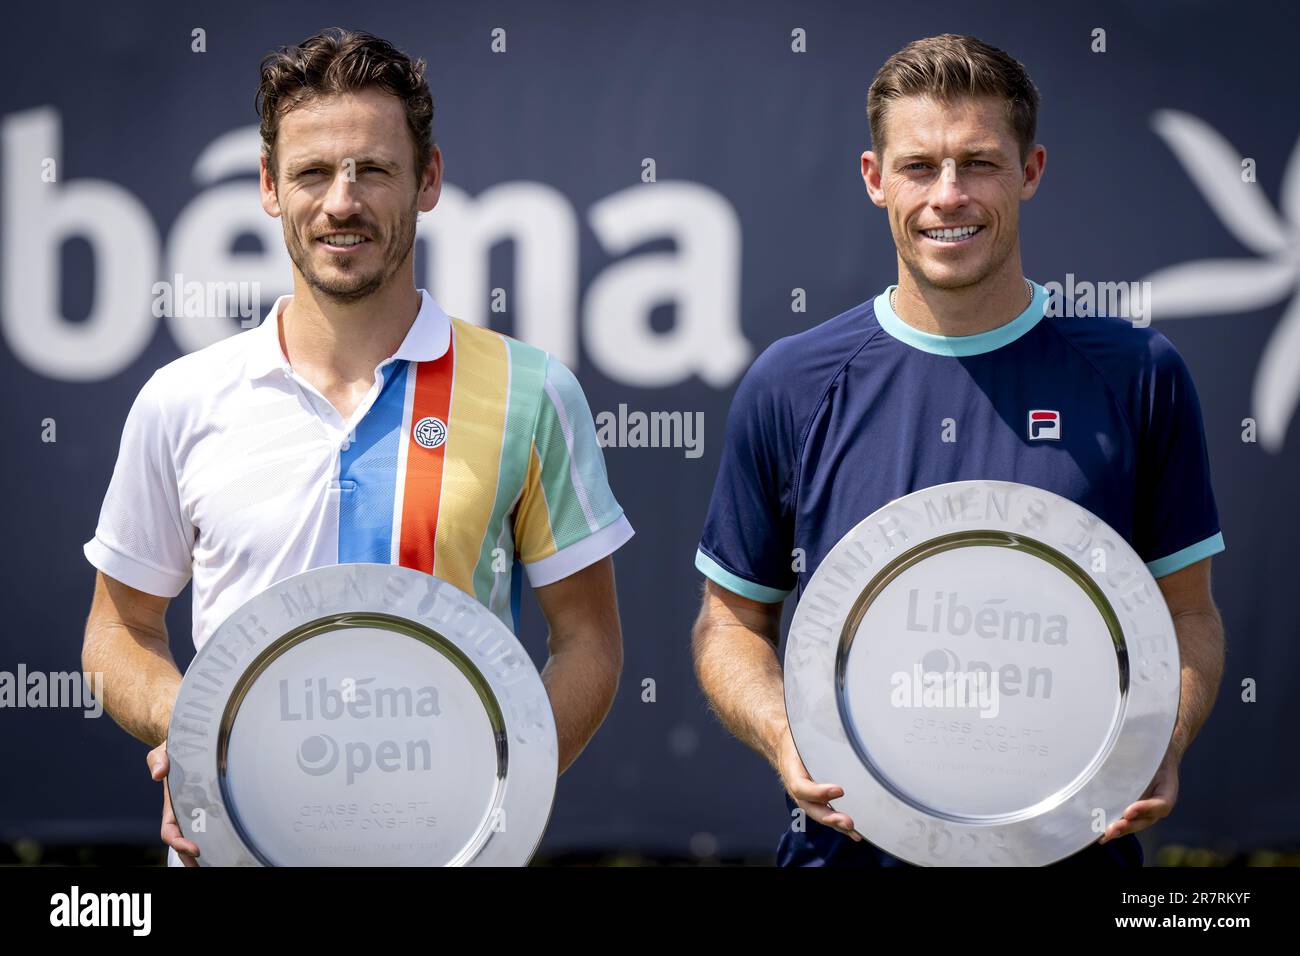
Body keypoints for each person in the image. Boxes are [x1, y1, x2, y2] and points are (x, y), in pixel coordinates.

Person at [81, 28, 633, 867]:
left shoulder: (533, 391)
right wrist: (203, 728)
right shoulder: (181, 400)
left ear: (429, 180)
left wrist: (497, 787)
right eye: (311, 173)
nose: (342, 202)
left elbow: (589, 641)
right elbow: (118, 630)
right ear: (269, 187)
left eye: (373, 169)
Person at [691, 33, 1225, 867]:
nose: (948, 196)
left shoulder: (1138, 374)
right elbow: (730, 621)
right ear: (875, 179)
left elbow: (1188, 614)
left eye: (978, 163)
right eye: (918, 167)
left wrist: (1164, 736)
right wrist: (784, 735)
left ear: (1031, 171)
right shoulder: (792, 383)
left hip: (1072, 847)